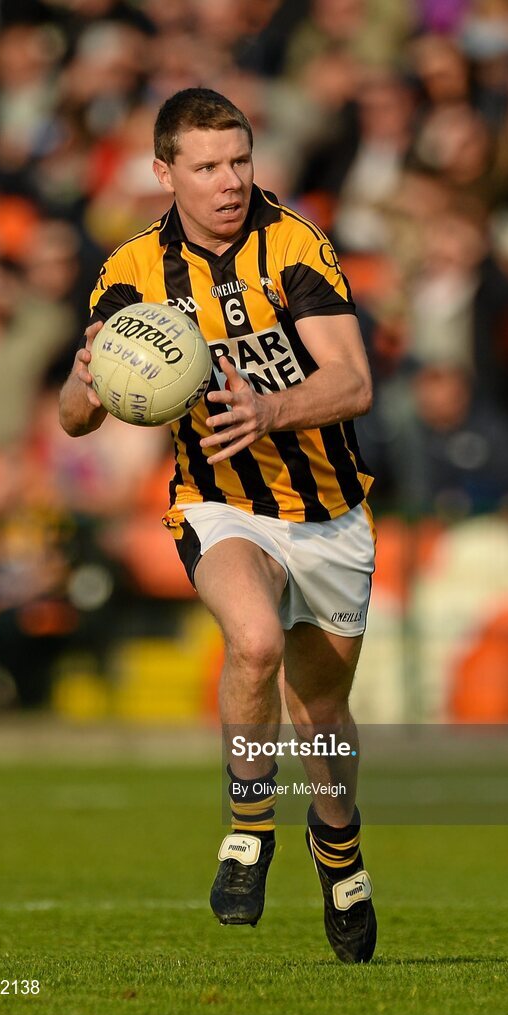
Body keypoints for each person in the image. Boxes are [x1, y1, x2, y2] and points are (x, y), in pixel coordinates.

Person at [59, 87, 377, 964]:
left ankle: (337, 844)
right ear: (164, 173)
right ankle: (247, 827)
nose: (229, 180)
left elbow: (352, 382)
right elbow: (73, 418)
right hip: (219, 501)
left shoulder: (294, 242)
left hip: (328, 512)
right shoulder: (128, 272)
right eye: (206, 167)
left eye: (239, 160)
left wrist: (270, 410)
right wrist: (87, 381)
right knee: (251, 642)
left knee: (321, 712)